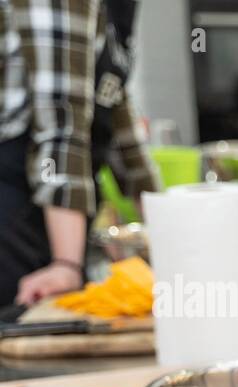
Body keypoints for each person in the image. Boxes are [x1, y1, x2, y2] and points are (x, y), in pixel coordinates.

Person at [0, 0, 157, 306]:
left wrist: (162, 216)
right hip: (12, 215)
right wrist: (66, 264)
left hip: (45, 214)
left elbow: (112, 97)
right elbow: (61, 122)